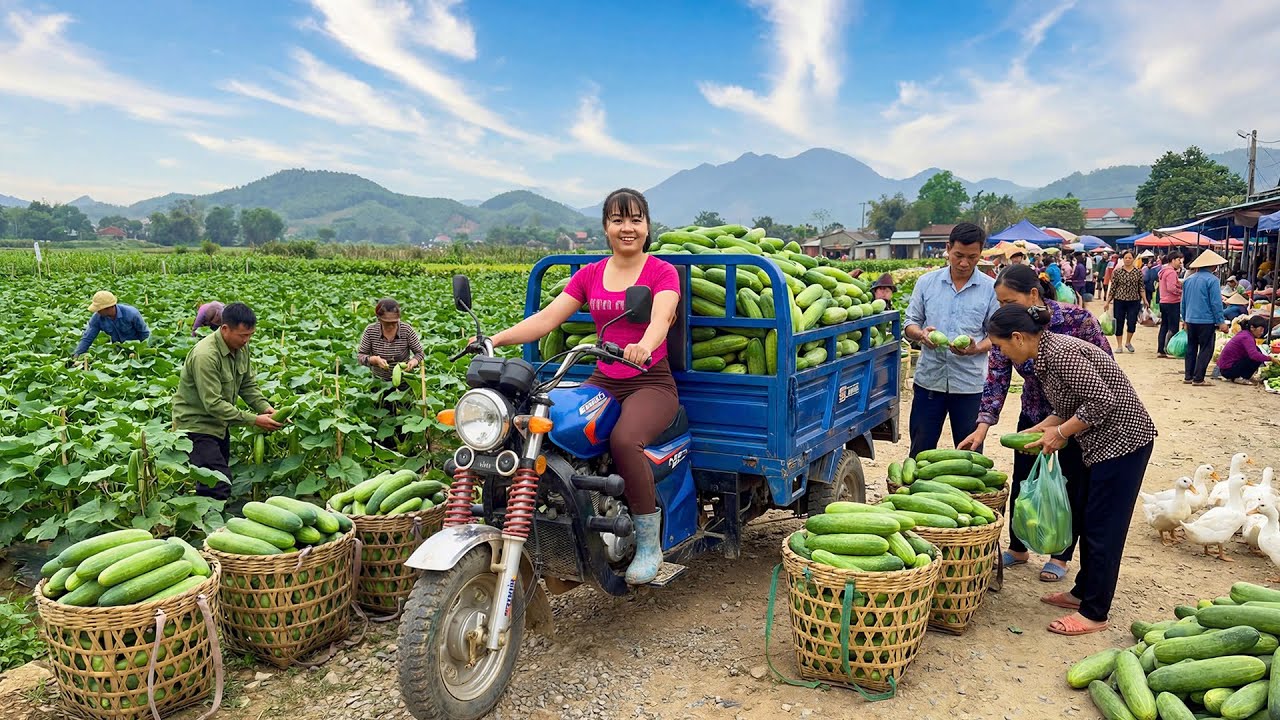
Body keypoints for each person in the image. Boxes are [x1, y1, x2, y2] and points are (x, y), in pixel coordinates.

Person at [487, 188, 679, 585]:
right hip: (603, 378)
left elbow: (661, 318)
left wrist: (644, 345)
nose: (627, 228)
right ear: (606, 227)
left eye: (635, 219)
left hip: (650, 382)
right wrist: (496, 340)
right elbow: (547, 318)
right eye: (618, 220)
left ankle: (648, 543)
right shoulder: (590, 274)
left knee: (625, 440)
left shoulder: (662, 272)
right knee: (546, 422)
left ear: (647, 226)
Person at [986, 303, 1156, 636]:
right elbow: (1070, 407)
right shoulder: (1045, 358)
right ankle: (1081, 594)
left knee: (1103, 529)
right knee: (1088, 518)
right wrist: (1041, 428)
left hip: (1124, 443)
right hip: (1101, 446)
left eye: (1001, 345)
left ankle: (1095, 612)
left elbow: (1101, 401)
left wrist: (1060, 433)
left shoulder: (1062, 354)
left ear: (1018, 338)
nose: (1001, 352)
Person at [959, 265, 1110, 582]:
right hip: (1035, 413)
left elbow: (1104, 371)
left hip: (1076, 419)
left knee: (1069, 484)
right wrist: (983, 425)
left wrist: (1068, 425)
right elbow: (997, 378)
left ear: (1033, 295)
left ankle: (1061, 555)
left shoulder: (1077, 321)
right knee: (1024, 480)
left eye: (1008, 301)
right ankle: (1018, 547)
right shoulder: (1008, 326)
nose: (1004, 308)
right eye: (1000, 303)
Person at [903, 223, 999, 456]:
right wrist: (921, 335)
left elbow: (996, 336)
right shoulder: (927, 282)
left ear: (980, 254)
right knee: (920, 450)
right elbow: (910, 324)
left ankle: (969, 494)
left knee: (970, 455)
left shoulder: (991, 288)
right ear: (948, 248)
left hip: (970, 385)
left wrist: (977, 348)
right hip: (929, 382)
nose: (964, 263)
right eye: (958, 255)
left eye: (972, 257)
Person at [172, 303, 282, 500]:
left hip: (220, 424)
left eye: (250, 335)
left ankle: (208, 518)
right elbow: (213, 403)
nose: (247, 340)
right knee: (218, 483)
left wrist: (265, 408)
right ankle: (212, 527)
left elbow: (247, 385)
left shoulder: (241, 348)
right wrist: (255, 420)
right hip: (196, 426)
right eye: (242, 335)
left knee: (211, 480)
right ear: (224, 329)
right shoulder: (205, 355)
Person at [1182, 250, 1230, 386]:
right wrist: (1221, 322)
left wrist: (1184, 318)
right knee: (1205, 349)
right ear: (1213, 266)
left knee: (1191, 348)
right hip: (1206, 320)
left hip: (1190, 319)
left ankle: (1188, 376)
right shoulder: (1213, 280)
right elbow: (1216, 303)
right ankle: (1198, 378)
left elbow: (1183, 301)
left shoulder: (1188, 280)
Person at [357, 298, 425, 384]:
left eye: (394, 322)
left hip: (404, 381)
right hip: (379, 382)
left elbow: (420, 353)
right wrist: (374, 360)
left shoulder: (406, 330)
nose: (391, 326)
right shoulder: (370, 331)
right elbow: (360, 356)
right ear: (378, 318)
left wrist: (414, 361)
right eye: (387, 322)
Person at [73, 291, 151, 356]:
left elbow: (145, 334)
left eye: (99, 309)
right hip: (118, 353)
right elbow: (87, 338)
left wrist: (142, 352)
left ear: (109, 307)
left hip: (136, 350)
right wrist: (77, 355)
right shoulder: (97, 317)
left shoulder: (132, 313)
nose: (97, 311)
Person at [1105, 251, 1146, 353]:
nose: (1128, 259)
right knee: (1119, 322)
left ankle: (1128, 342)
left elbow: (1141, 287)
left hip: (1134, 301)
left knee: (1132, 322)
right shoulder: (1117, 272)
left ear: (1133, 259)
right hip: (1119, 300)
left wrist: (1145, 300)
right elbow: (1113, 288)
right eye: (1126, 258)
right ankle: (1119, 345)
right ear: (1123, 259)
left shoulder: (1138, 272)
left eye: (1130, 258)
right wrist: (1107, 302)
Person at [1217, 315, 1274, 385]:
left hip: (1226, 368)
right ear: (1252, 328)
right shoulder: (1247, 337)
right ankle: (1240, 377)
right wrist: (1270, 358)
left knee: (1257, 350)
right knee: (1256, 357)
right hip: (1228, 370)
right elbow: (1254, 355)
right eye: (1260, 330)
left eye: (1263, 330)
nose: (1262, 332)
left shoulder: (1245, 334)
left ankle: (1242, 375)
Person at [1156, 254, 1184, 358]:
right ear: (1172, 260)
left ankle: (1161, 349)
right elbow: (1171, 288)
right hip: (1172, 302)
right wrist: (1181, 292)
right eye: (1178, 260)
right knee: (1173, 327)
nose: (1180, 262)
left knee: (1164, 326)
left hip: (1164, 301)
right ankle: (1171, 349)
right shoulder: (1171, 272)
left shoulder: (1163, 271)